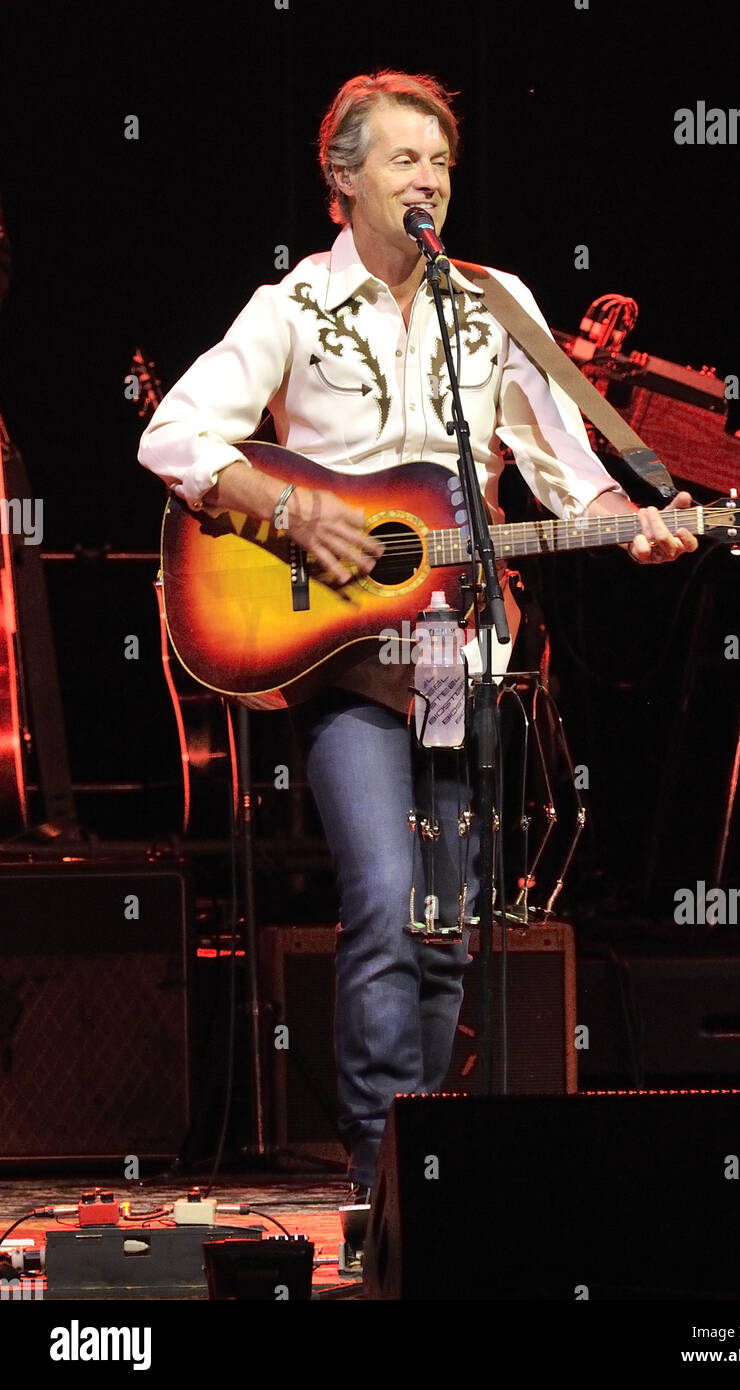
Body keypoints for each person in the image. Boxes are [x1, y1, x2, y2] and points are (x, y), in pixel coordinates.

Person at [138, 70, 698, 1217]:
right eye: (403, 161)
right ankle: (371, 1176)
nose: (428, 180)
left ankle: (426, 1170)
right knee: (387, 901)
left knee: (447, 929)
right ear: (341, 180)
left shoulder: (494, 302)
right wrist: (293, 511)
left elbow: (563, 469)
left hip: (457, 660)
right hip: (342, 659)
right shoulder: (289, 308)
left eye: (439, 162)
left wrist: (632, 523)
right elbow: (174, 434)